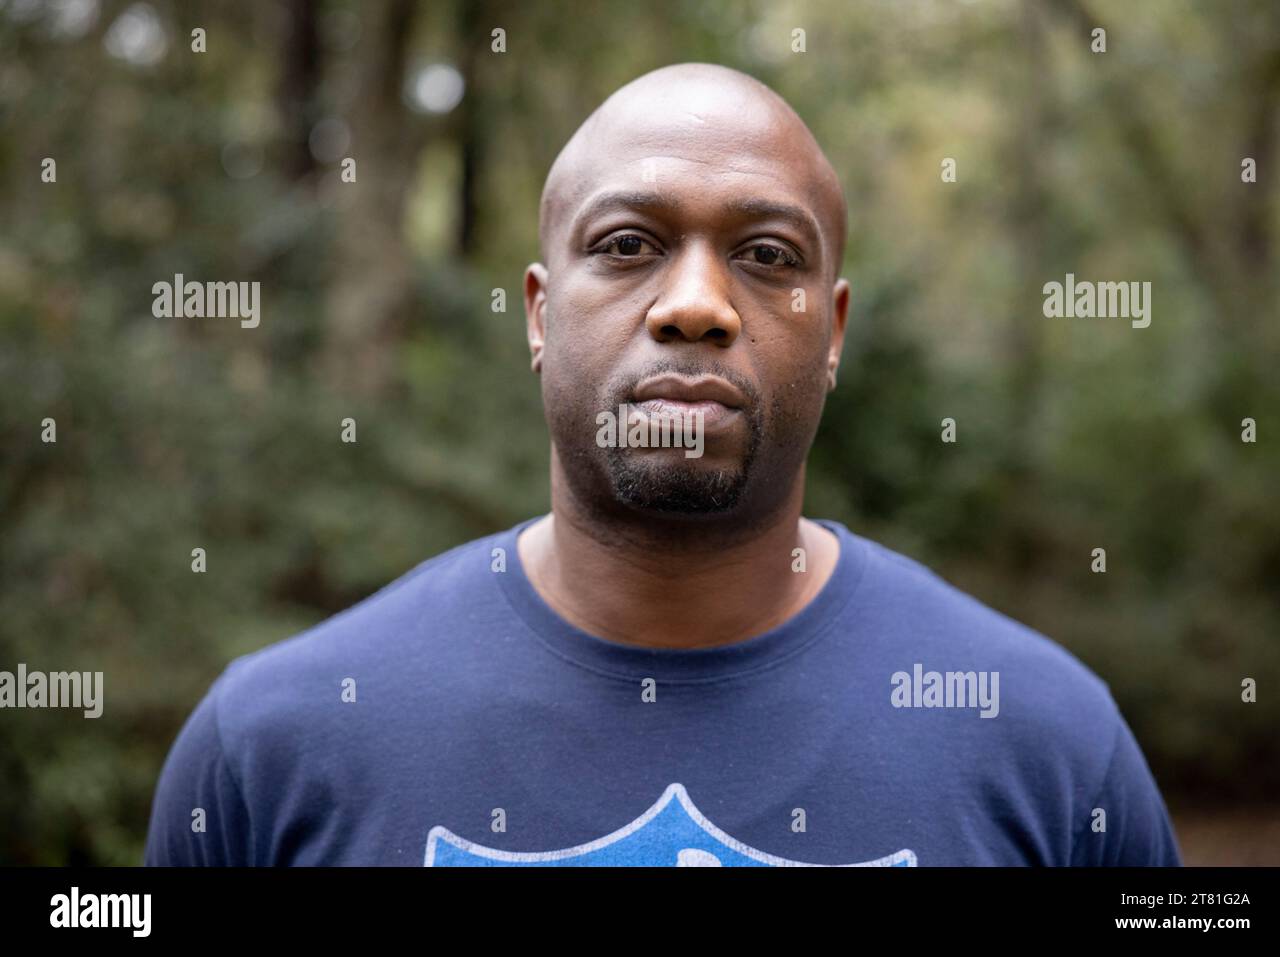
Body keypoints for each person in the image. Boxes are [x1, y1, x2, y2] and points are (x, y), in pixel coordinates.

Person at [145, 62, 1182, 866]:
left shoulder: (1046, 744)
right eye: (629, 243)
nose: (695, 303)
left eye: (767, 255)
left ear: (831, 331)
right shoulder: (274, 747)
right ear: (542, 315)